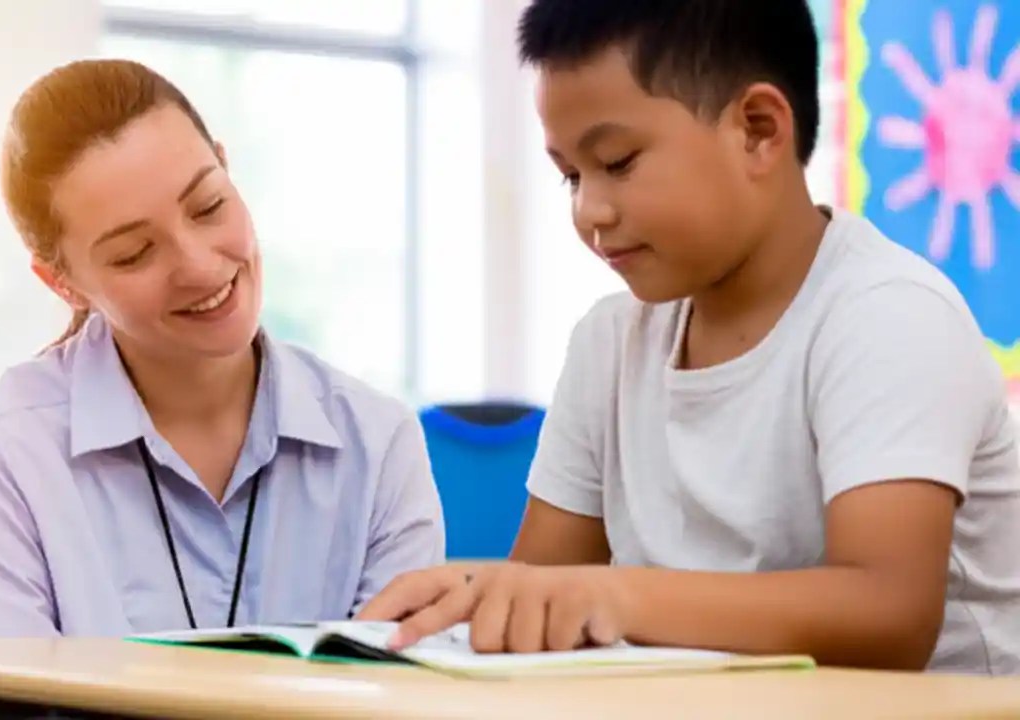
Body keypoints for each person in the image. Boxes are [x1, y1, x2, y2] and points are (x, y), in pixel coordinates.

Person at [358, 0, 1020, 675]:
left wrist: (614, 594)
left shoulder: (887, 316)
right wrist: (476, 596)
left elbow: (888, 617)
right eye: (570, 175)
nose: (589, 210)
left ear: (758, 132)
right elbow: (547, 582)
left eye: (616, 162)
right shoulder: (609, 344)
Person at [0, 58, 445, 710]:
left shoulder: (376, 440)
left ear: (227, 167)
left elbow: (398, 703)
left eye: (208, 205)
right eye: (134, 253)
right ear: (63, 283)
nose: (199, 268)